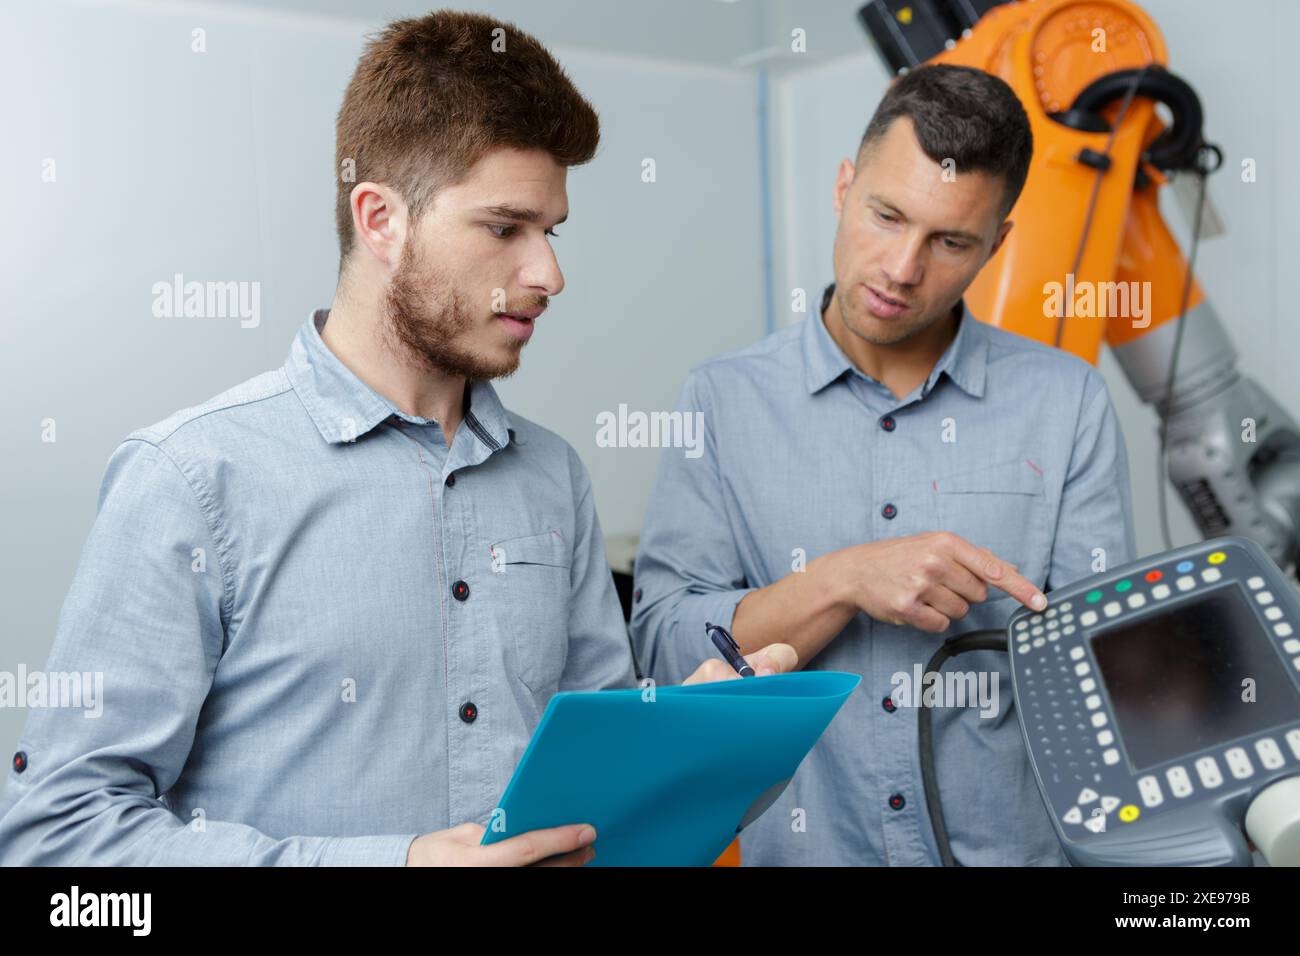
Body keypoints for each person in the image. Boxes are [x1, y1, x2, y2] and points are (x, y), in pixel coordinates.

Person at [0, 10, 795, 868]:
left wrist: (684, 742)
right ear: (380, 219)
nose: (549, 274)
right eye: (505, 228)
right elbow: (59, 838)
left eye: (551, 232)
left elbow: (590, 785)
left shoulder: (552, 477)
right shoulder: (190, 479)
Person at [630, 64, 1136, 866]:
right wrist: (842, 580)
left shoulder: (1066, 401)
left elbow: (1103, 677)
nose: (903, 268)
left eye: (950, 241)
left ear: (997, 244)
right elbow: (665, 649)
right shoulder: (722, 400)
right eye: (886, 215)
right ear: (843, 186)